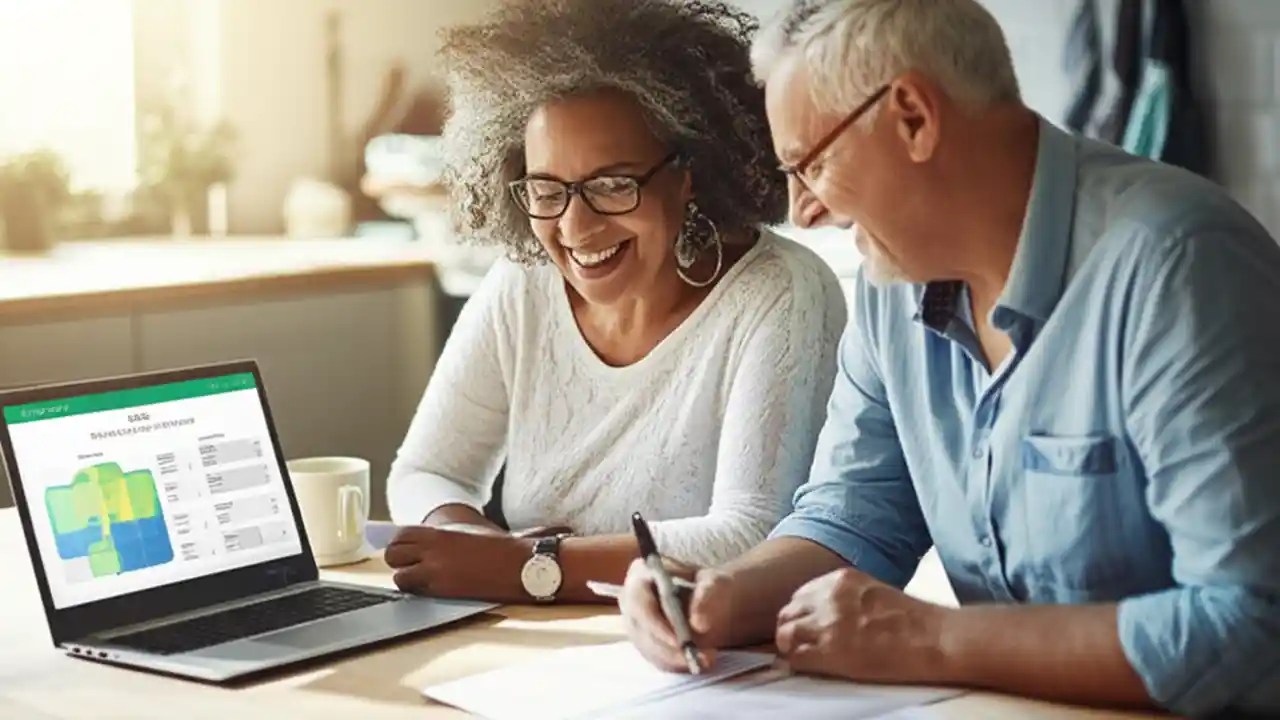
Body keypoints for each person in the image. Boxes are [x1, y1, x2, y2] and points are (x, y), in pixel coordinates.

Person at [620, 1, 1280, 716]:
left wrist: (935, 639)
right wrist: (722, 595)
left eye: (808, 165)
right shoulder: (889, 287)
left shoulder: (1178, 267)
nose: (801, 210)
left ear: (912, 116)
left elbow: (1249, 622)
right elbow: (855, 519)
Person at [383, 0, 847, 606]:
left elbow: (752, 537)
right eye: (547, 188)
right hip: (528, 649)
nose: (576, 227)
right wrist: (463, 543)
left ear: (689, 176)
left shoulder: (779, 293)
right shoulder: (523, 282)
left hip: (705, 662)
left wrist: (523, 567)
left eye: (612, 184)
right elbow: (427, 471)